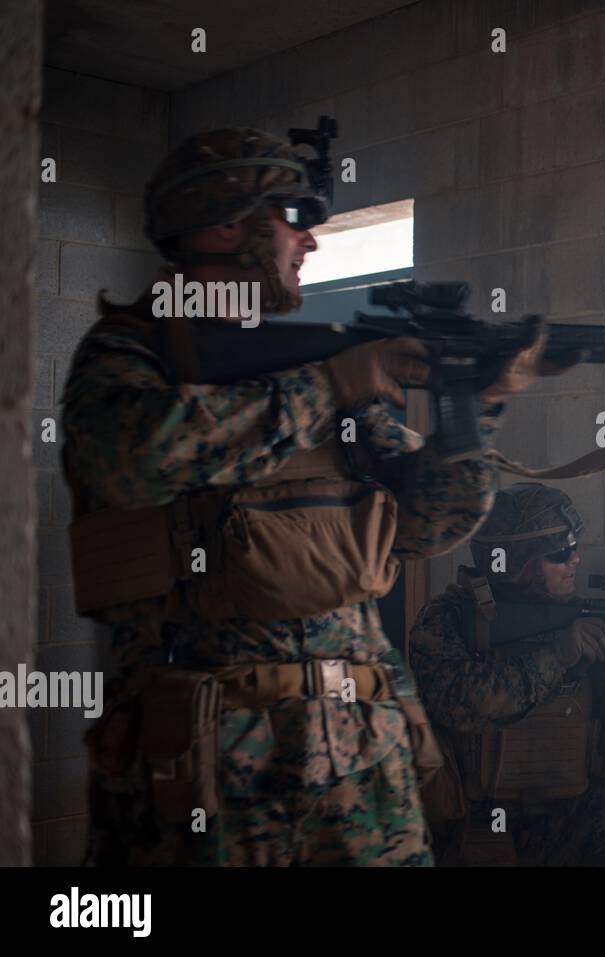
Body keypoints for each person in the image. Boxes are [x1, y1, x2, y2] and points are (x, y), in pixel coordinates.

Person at [61, 126, 559, 865]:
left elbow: (424, 527)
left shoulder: (326, 374)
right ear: (226, 222)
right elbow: (135, 458)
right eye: (294, 216)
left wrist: (474, 411)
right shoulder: (131, 355)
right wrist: (331, 384)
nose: (312, 243)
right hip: (208, 772)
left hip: (359, 770)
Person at [408, 482, 605, 865]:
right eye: (561, 554)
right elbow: (464, 706)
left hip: (565, 806)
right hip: (478, 818)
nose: (576, 560)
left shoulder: (579, 618)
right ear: (518, 563)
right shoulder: (447, 619)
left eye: (574, 549)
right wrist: (560, 653)